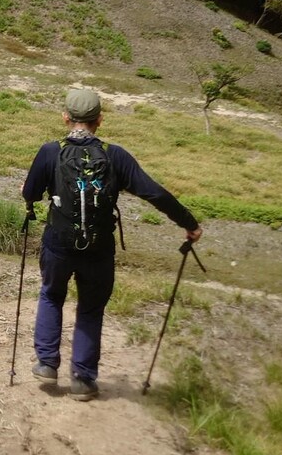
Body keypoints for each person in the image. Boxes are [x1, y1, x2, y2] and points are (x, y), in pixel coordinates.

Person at [21, 87, 201, 401]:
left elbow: (30, 193)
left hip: (59, 242)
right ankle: (82, 379)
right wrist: (189, 222)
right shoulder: (115, 155)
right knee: (91, 309)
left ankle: (47, 363)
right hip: (98, 247)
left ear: (66, 117)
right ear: (99, 120)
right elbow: (153, 193)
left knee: (52, 294)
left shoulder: (50, 151)